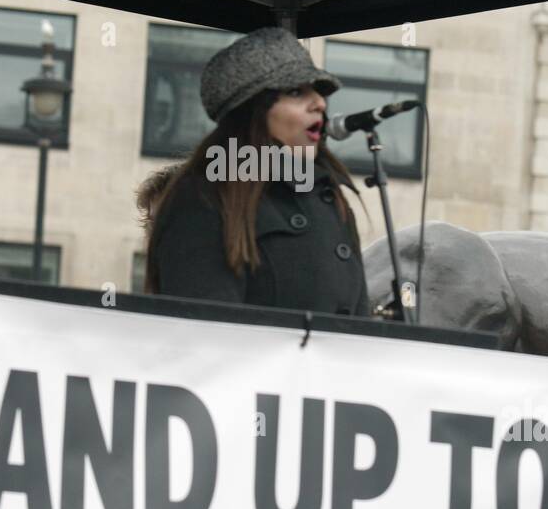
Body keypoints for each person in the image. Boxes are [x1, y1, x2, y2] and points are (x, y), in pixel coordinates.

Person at [138, 27, 372, 316]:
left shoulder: (328, 196)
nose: (320, 104)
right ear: (253, 111)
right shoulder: (203, 198)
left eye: (319, 92)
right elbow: (206, 331)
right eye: (296, 92)